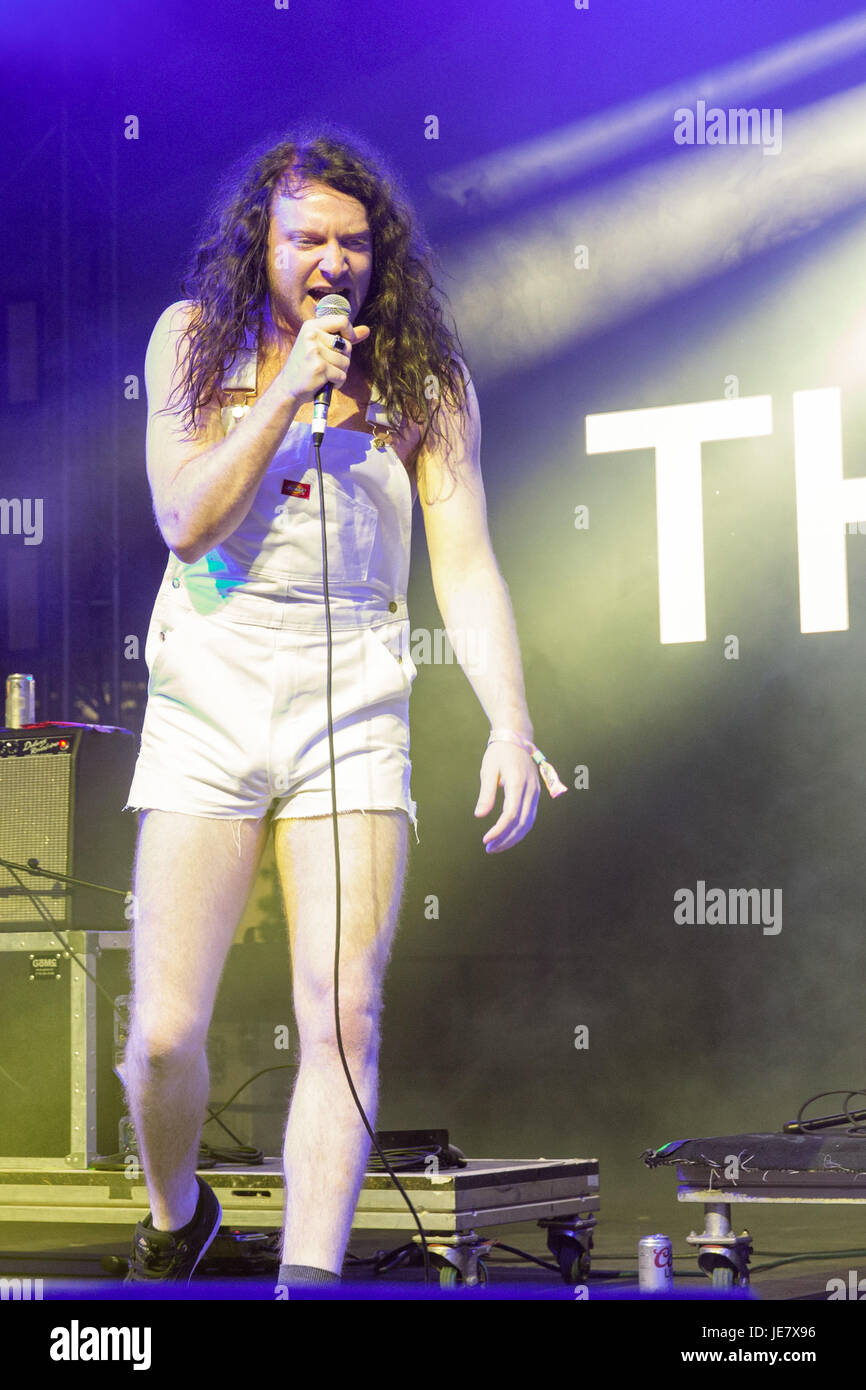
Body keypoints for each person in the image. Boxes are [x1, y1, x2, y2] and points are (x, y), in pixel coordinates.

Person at [120, 122, 555, 1291]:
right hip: (210, 691)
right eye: (305, 237)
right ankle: (176, 1216)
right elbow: (185, 520)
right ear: (259, 242)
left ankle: (305, 1282)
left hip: (352, 703)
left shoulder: (421, 376)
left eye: (352, 242)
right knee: (162, 1035)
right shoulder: (193, 343)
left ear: (379, 252)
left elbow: (464, 565)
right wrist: (287, 392)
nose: (330, 261)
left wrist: (509, 722)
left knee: (343, 1013)